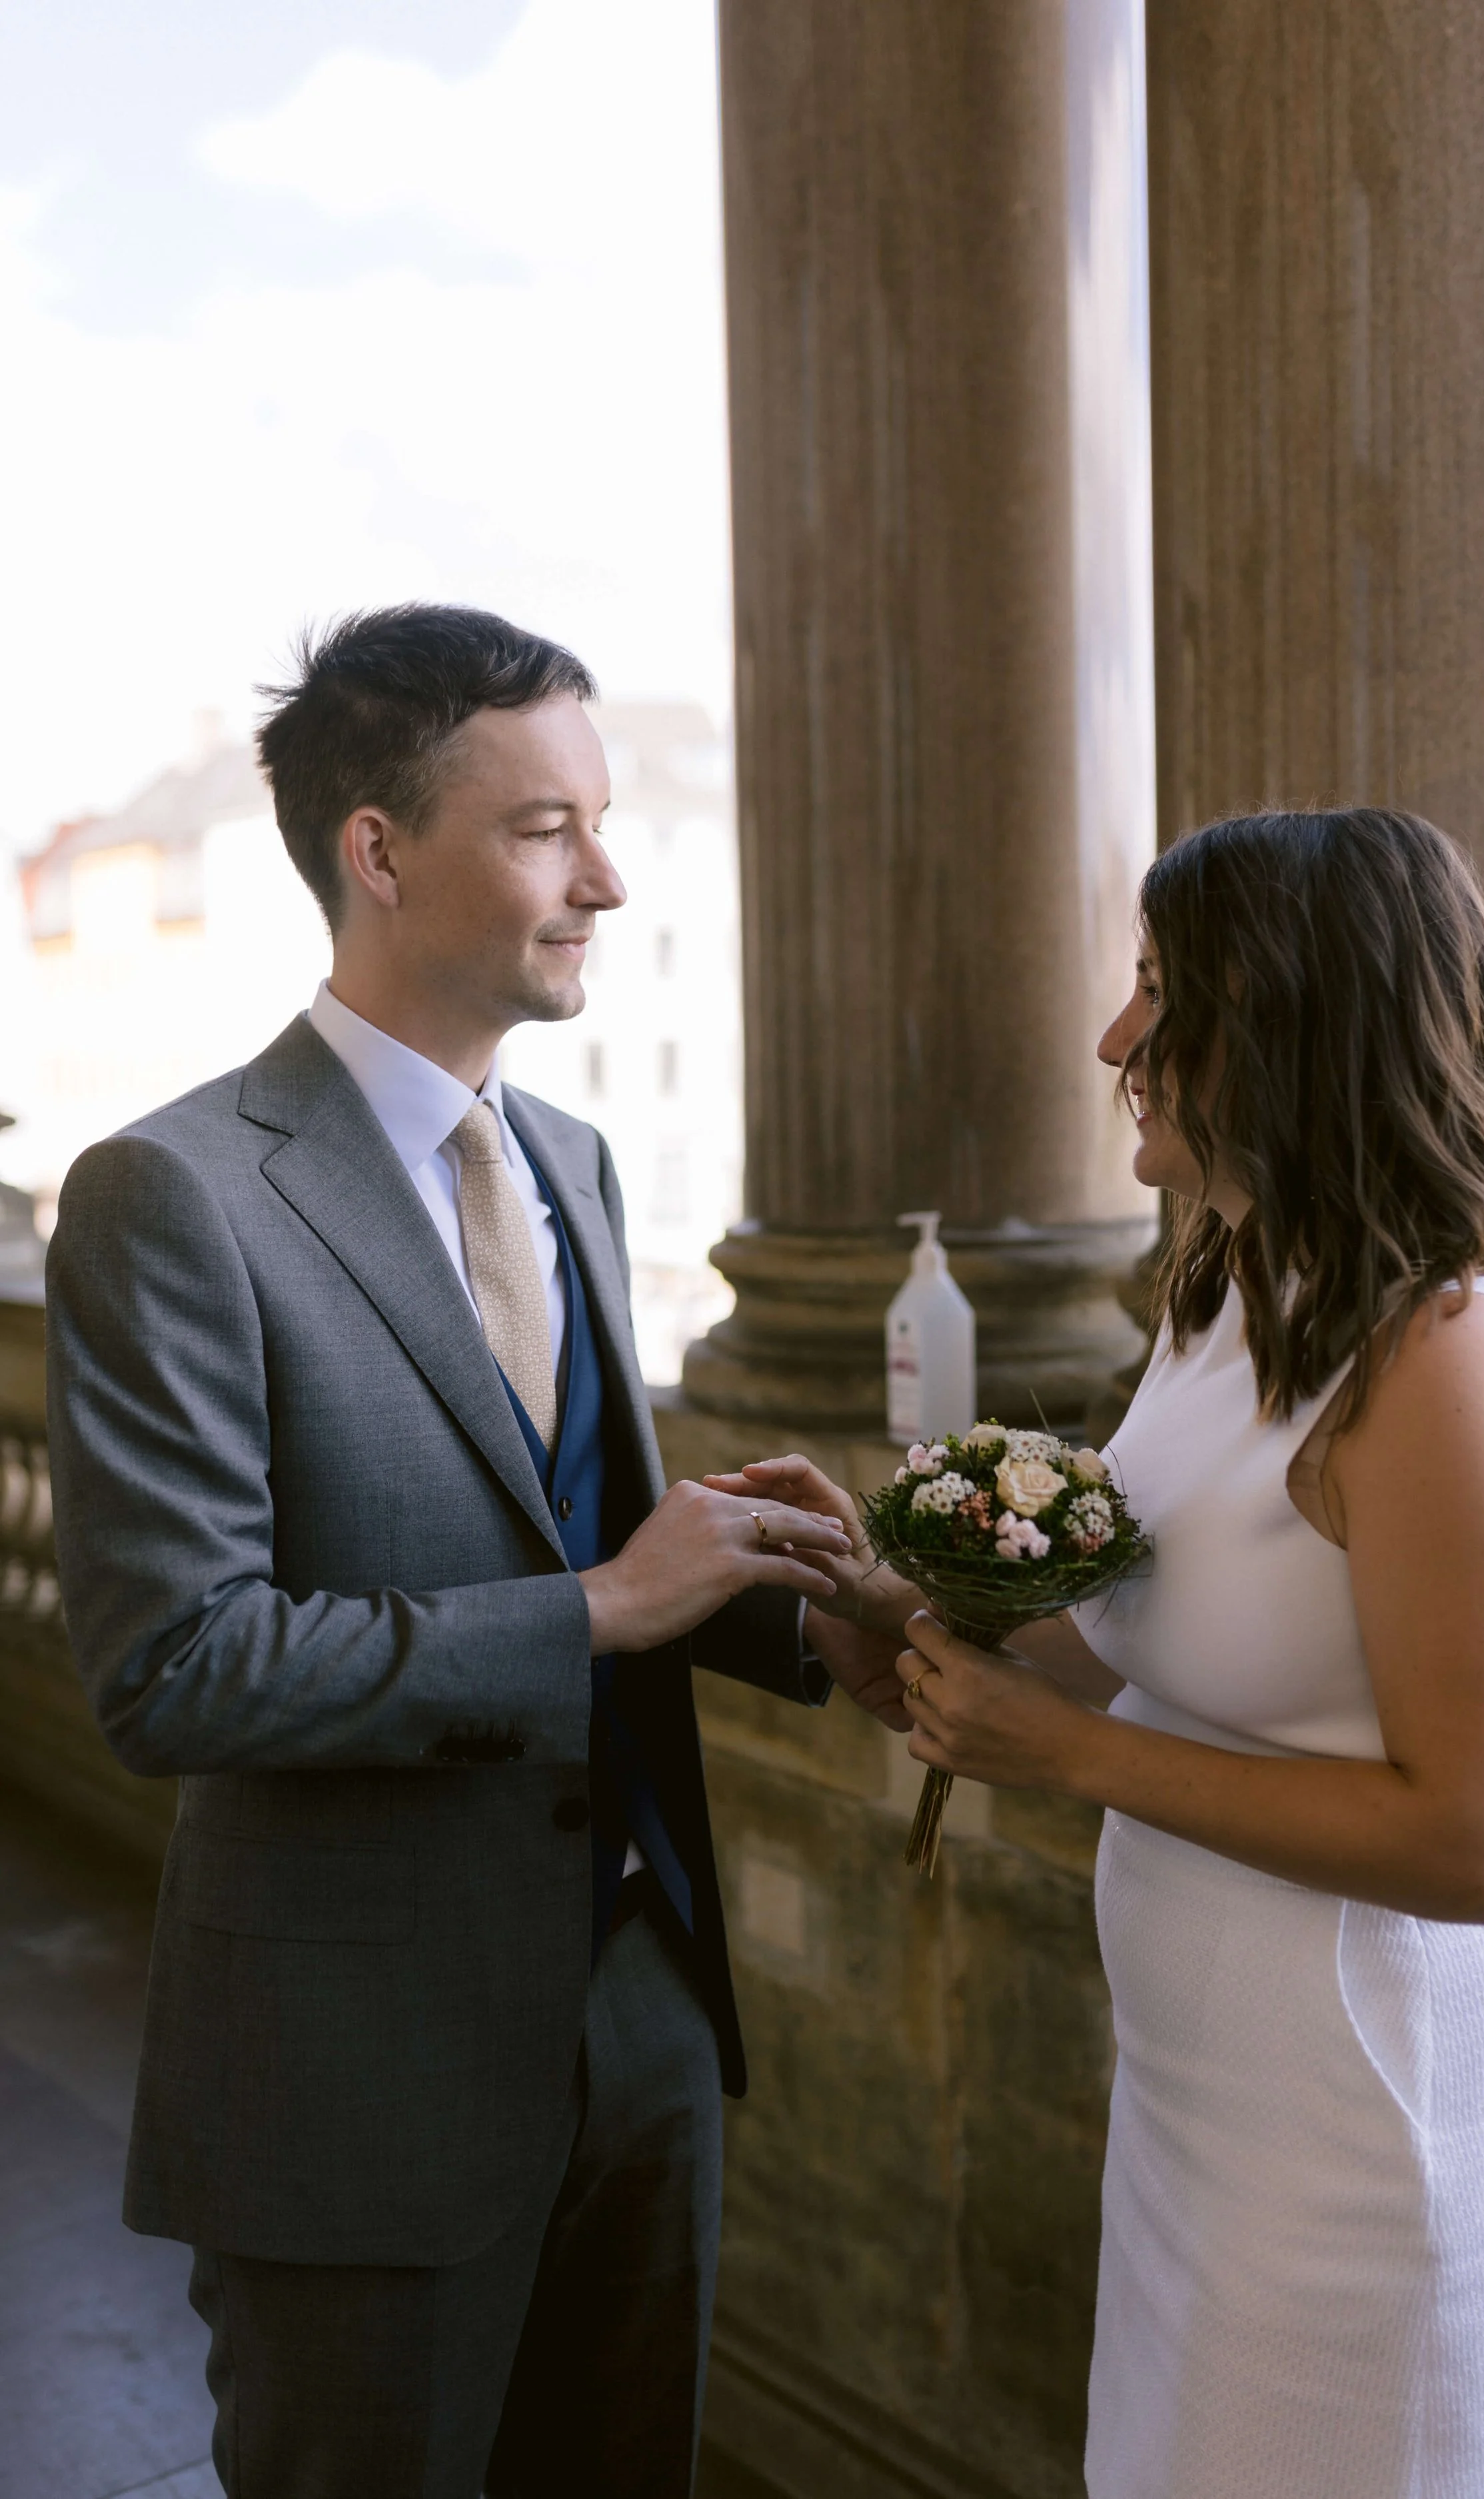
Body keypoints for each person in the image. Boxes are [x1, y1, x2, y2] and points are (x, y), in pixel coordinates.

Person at [44, 603, 908, 2499]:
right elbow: (175, 1663)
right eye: (544, 828)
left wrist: (804, 1608)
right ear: (375, 848)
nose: (604, 875)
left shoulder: (575, 1163)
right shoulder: (172, 1196)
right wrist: (605, 1603)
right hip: (355, 2066)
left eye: (602, 821)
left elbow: (585, 1528)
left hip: (644, 2009)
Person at [729, 808, 1484, 2498]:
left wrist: (1062, 1760)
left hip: (1373, 2162)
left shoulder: (1450, 1359)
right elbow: (1146, 1645)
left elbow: (1479, 1848)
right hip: (1204, 2115)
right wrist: (892, 1601)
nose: (1114, 1038)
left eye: (1161, 991)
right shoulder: (1224, 1299)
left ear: (1293, 1022)